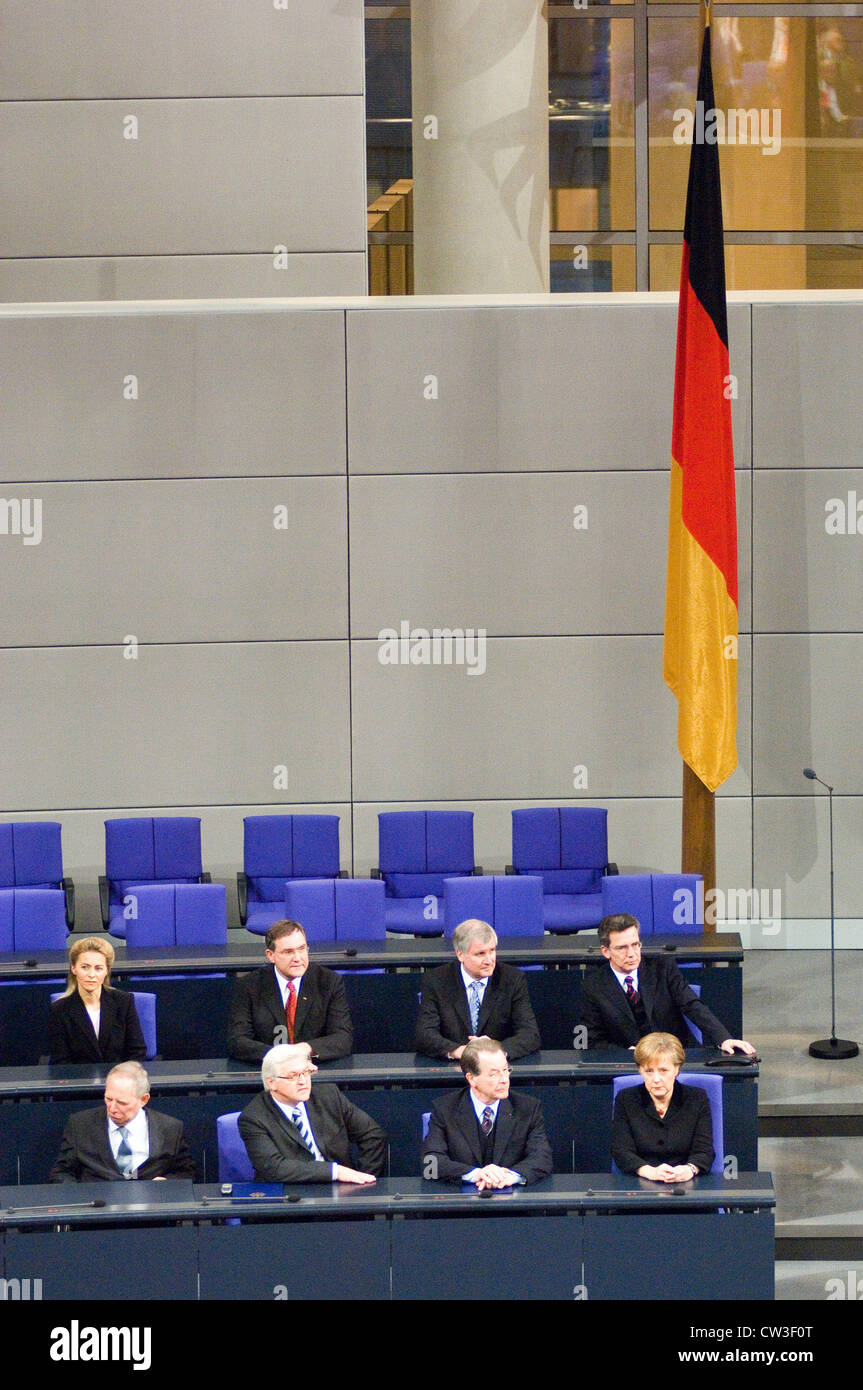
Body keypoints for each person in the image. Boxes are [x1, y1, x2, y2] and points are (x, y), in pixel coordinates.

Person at [579, 914, 756, 1054]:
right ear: (606, 951)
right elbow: (593, 1040)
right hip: (628, 1065)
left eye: (635, 945)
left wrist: (723, 1038)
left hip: (676, 1058)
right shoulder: (593, 986)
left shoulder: (663, 968)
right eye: (622, 948)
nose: (631, 953)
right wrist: (624, 1054)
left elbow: (692, 1005)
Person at [238, 1043, 386, 1184]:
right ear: (271, 1083)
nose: (303, 1081)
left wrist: (364, 1178)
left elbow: (372, 1135)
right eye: (293, 1076)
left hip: (343, 1192)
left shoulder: (329, 1096)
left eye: (305, 1072)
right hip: (290, 1196)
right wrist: (335, 1171)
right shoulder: (253, 1117)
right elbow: (274, 1168)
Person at [421, 1036, 553, 1189]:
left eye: (506, 1070)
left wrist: (510, 1176)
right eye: (494, 1074)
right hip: (460, 1206)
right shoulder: (445, 1109)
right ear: (472, 1079)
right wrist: (476, 1174)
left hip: (512, 1204)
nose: (504, 1079)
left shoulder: (528, 1108)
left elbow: (542, 1158)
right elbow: (431, 1161)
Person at [226, 919, 352, 1063]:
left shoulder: (329, 982)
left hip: (315, 1070)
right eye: (288, 952)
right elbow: (237, 1041)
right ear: (270, 955)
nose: (297, 958)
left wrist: (304, 1049)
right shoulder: (249, 986)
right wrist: (279, 1056)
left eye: (301, 949)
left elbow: (343, 1038)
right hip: (268, 1072)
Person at [414, 918, 541, 1060]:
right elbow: (424, 1035)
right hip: (453, 1069)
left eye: (492, 951)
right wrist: (461, 1051)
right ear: (460, 954)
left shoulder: (512, 979)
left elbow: (530, 1034)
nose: (489, 960)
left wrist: (493, 1051)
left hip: (497, 1069)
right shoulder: (436, 981)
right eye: (480, 954)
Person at [49, 1061, 195, 1181]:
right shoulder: (80, 1124)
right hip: (99, 1210)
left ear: (143, 1100)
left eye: (122, 1103)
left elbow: (187, 1174)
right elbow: (61, 1173)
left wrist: (167, 1183)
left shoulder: (171, 1128)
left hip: (151, 1210)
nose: (112, 1108)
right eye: (108, 1099)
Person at [611, 1032, 715, 1182]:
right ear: (640, 1070)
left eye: (663, 1070)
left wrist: (689, 1169)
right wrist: (649, 1172)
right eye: (649, 1071)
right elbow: (621, 1151)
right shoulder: (626, 1099)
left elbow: (705, 1151)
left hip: (687, 1184)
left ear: (677, 1069)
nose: (656, 1079)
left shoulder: (697, 1098)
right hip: (640, 1184)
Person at [48, 935, 147, 1064]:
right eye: (85, 967)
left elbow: (137, 1052)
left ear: (107, 970)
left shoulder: (124, 1001)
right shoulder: (59, 1009)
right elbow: (60, 1060)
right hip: (80, 1080)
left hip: (119, 1080)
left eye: (98, 968)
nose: (91, 974)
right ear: (73, 968)